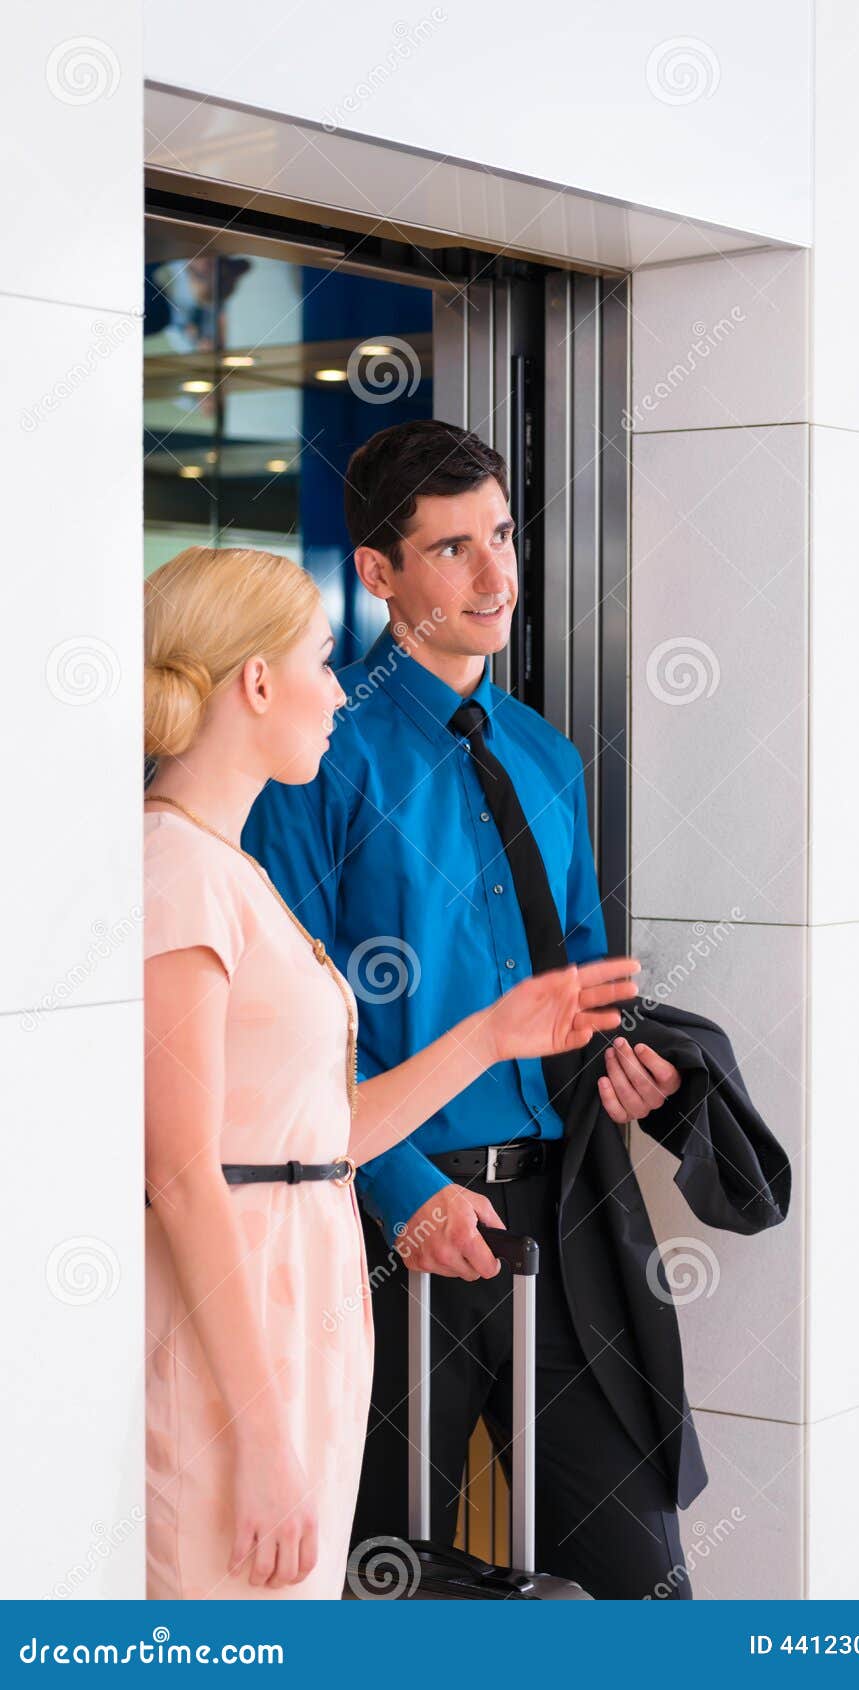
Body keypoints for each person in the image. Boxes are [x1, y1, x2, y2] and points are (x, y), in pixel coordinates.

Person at [243, 422, 694, 1599]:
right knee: (389, 1586)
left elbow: (580, 974)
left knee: (645, 1583)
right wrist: (399, 1194)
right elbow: (281, 1026)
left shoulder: (547, 757)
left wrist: (628, 1067)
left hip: (563, 1216)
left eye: (501, 536)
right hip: (385, 1229)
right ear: (380, 574)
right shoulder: (318, 756)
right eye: (453, 549)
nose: (496, 577)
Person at [142, 543, 640, 1599]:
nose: (339, 690)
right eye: (322, 662)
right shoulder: (179, 876)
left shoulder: (224, 871)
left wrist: (495, 1034)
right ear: (256, 683)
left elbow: (319, 1138)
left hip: (298, 1329)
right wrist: (265, 1437)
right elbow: (182, 1178)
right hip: (240, 1363)